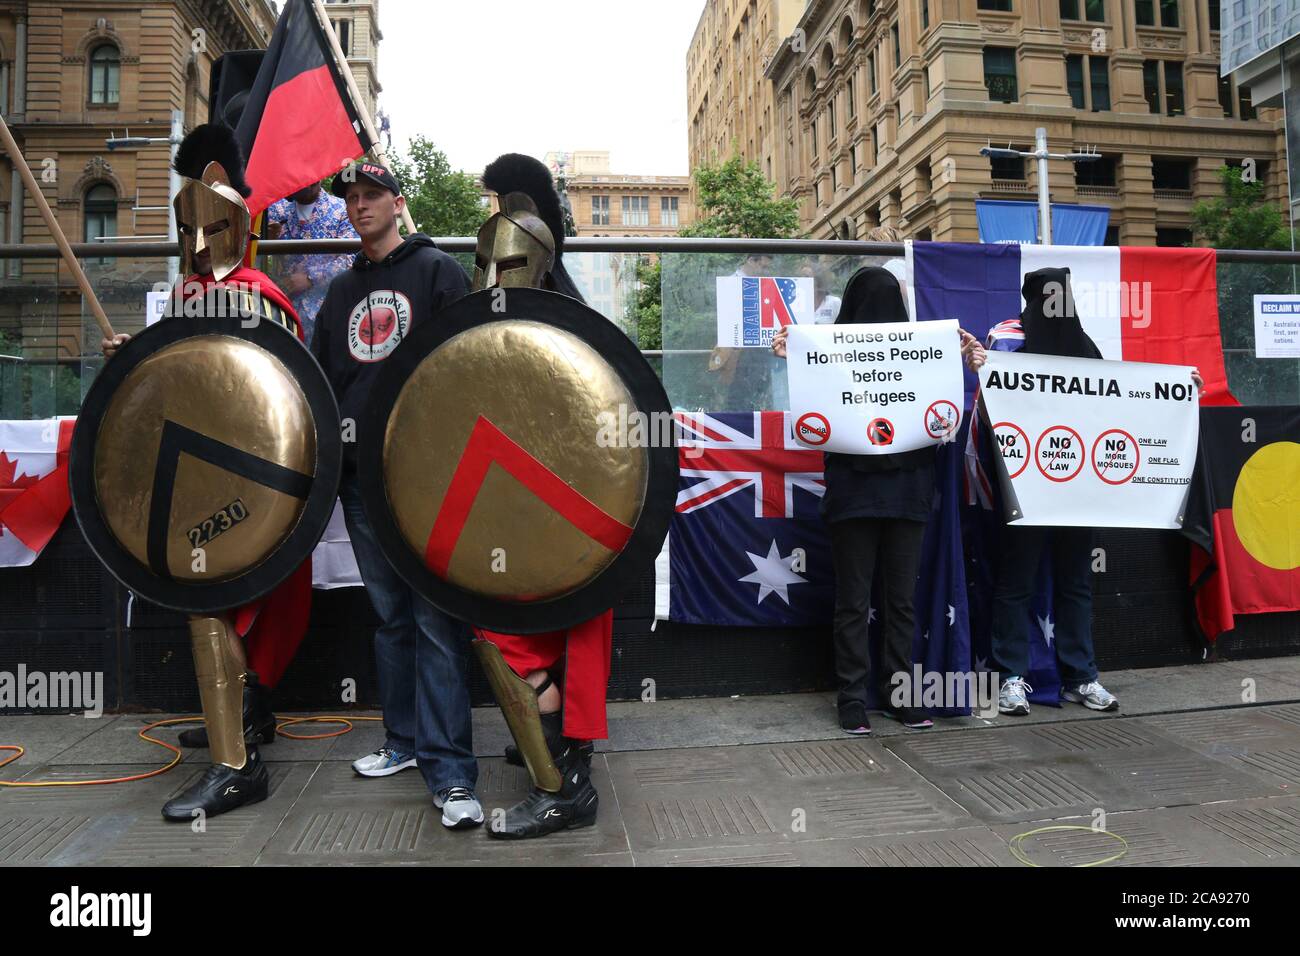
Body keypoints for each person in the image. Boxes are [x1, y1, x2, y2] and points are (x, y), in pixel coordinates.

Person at [100, 124, 310, 819]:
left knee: (216, 607)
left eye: (206, 223)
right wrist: (135, 363)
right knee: (204, 598)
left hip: (251, 490)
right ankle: (245, 719)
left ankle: (237, 761)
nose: (194, 241)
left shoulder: (260, 298)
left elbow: (275, 408)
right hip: (198, 481)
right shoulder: (187, 298)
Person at [310, 160, 483, 829]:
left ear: (397, 202)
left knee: (437, 621)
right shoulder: (341, 289)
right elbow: (324, 380)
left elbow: (466, 362)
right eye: (350, 198)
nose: (359, 205)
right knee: (391, 617)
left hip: (428, 474)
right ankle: (406, 743)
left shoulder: (438, 270)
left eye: (371, 195)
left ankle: (452, 773)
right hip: (360, 475)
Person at [962, 267, 1204, 716]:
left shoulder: (1087, 344)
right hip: (1024, 486)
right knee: (1017, 582)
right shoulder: (1005, 336)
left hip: (1078, 488)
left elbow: (1124, 399)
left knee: (1076, 583)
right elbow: (990, 409)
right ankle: (1011, 678)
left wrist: (1180, 389)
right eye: (1047, 294)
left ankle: (1081, 676)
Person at [773, 267, 984, 734]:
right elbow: (811, 406)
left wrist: (965, 357)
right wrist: (794, 355)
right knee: (865, 598)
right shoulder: (829, 353)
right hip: (868, 491)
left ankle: (891, 692)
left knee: (890, 599)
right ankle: (855, 694)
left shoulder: (919, 352)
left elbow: (945, 410)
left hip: (895, 490)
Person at [469, 153, 608, 839]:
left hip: (557, 518)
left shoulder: (563, 325)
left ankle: (562, 783)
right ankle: (552, 747)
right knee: (523, 636)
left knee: (507, 641)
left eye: (489, 199)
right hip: (517, 512)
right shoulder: (561, 314)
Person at [266, 180, 357, 343]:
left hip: (331, 312)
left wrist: (310, 278)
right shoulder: (275, 211)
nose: (307, 180)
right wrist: (267, 238)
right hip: (284, 313)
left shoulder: (342, 208)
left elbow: (353, 258)